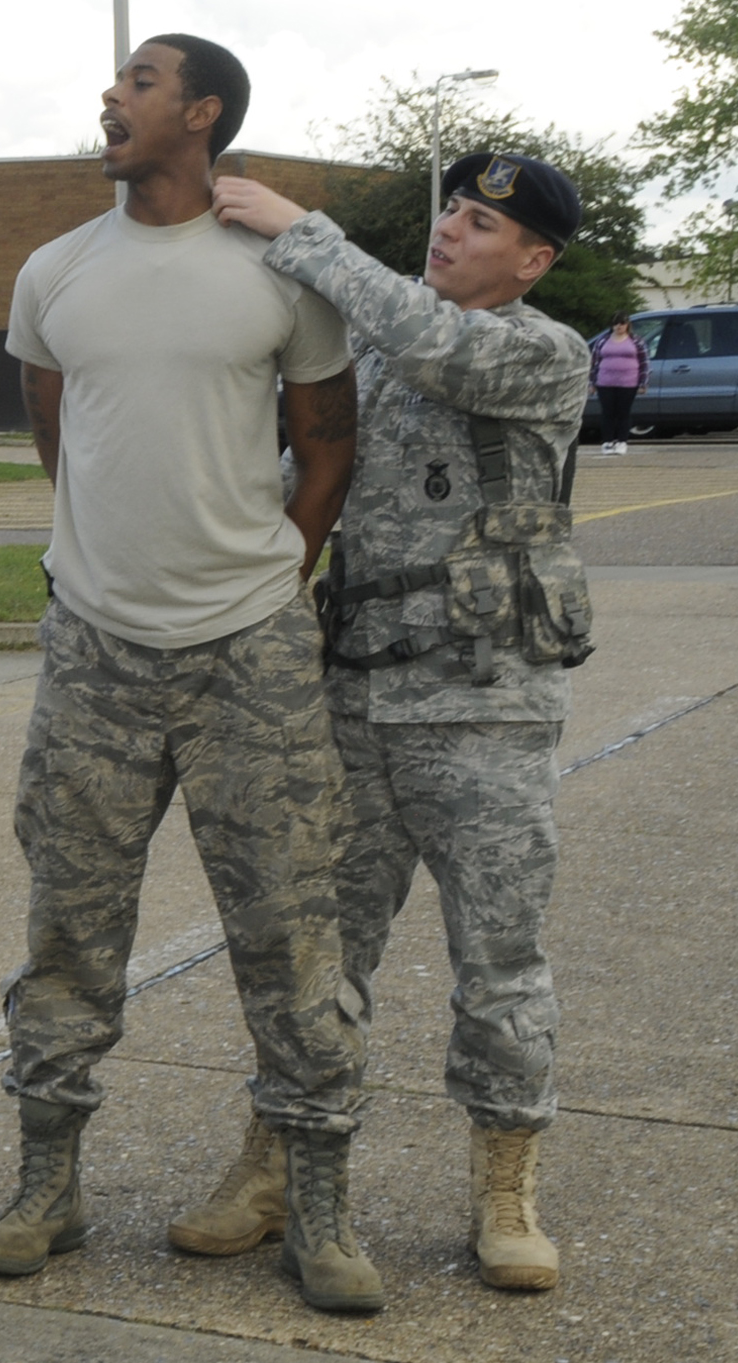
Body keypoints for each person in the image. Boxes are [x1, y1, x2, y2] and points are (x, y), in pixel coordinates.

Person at [0, 35, 385, 1313]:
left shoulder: (278, 269)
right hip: (92, 652)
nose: (111, 96)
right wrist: (103, 561)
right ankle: (48, 1187)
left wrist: (272, 576)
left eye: (140, 83)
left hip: (249, 652)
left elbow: (326, 446)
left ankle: (315, 1210)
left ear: (200, 115)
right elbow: (54, 431)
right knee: (66, 933)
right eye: (115, 83)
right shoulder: (54, 271)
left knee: (290, 936)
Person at [206, 152, 593, 1292]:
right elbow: (294, 474)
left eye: (481, 226)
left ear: (531, 260)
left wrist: (300, 228)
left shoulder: (539, 351)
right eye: (452, 213)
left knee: (499, 962)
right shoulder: (368, 342)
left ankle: (504, 1189)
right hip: (355, 701)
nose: (452, 233)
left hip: (486, 713)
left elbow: (439, 345)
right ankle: (273, 1159)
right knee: (320, 956)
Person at [591, 313, 648, 454]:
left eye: (622, 323)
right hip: (605, 382)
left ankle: (622, 441)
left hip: (628, 383)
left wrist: (643, 383)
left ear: (627, 325)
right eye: (616, 324)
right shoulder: (602, 341)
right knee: (607, 412)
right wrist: (591, 382)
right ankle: (607, 442)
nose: (619, 327)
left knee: (623, 412)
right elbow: (594, 362)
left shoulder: (636, 341)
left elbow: (644, 362)